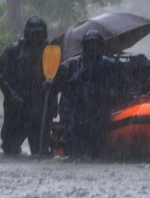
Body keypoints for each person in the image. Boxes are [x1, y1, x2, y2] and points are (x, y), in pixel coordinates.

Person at [53, 29, 125, 160]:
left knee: (98, 153)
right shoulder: (71, 64)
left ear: (100, 45)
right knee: (75, 153)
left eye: (95, 43)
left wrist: (107, 104)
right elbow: (59, 87)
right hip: (75, 114)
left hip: (99, 114)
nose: (92, 47)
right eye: (89, 44)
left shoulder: (110, 64)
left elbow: (119, 87)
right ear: (84, 46)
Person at [0, 16, 52, 155]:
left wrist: (51, 86)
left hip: (39, 106)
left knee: (40, 150)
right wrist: (12, 95)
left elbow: (56, 76)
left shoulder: (49, 52)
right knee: (10, 146)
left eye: (39, 33)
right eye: (33, 33)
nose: (36, 37)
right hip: (17, 107)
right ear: (27, 33)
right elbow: (1, 73)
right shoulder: (14, 50)